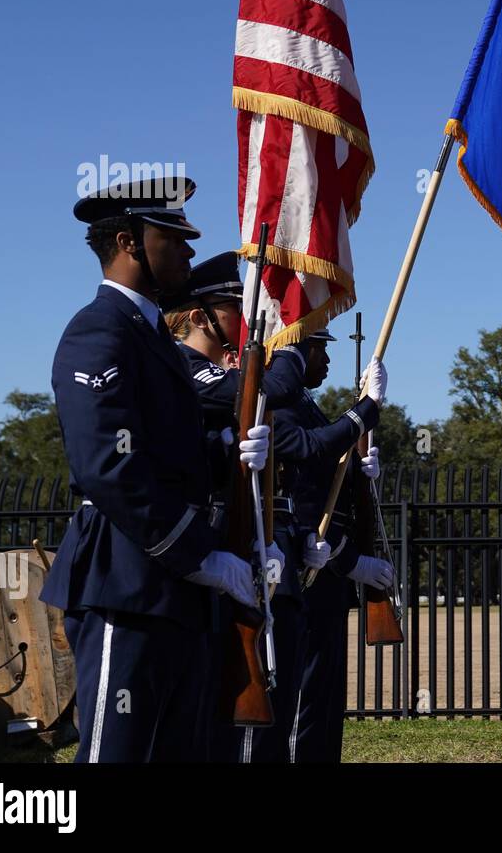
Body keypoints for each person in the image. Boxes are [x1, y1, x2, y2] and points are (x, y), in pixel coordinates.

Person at [41, 177, 270, 762]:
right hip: (128, 580)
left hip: (169, 586)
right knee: (117, 753)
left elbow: (166, 450)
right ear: (129, 242)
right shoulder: (98, 330)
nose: (189, 251)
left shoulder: (153, 340)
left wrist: (225, 449)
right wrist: (198, 554)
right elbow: (107, 466)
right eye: (174, 237)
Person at [162, 252, 309, 762]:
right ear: (199, 316)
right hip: (198, 547)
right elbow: (274, 388)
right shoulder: (184, 366)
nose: (243, 319)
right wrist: (289, 338)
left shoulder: (203, 369)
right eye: (231, 307)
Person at [276, 328, 390, 762]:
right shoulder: (282, 404)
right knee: (304, 696)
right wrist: (366, 408)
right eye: (319, 347)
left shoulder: (306, 404)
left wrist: (360, 469)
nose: (324, 359)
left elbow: (330, 474)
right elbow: (304, 482)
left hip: (327, 573)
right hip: (309, 564)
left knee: (324, 699)